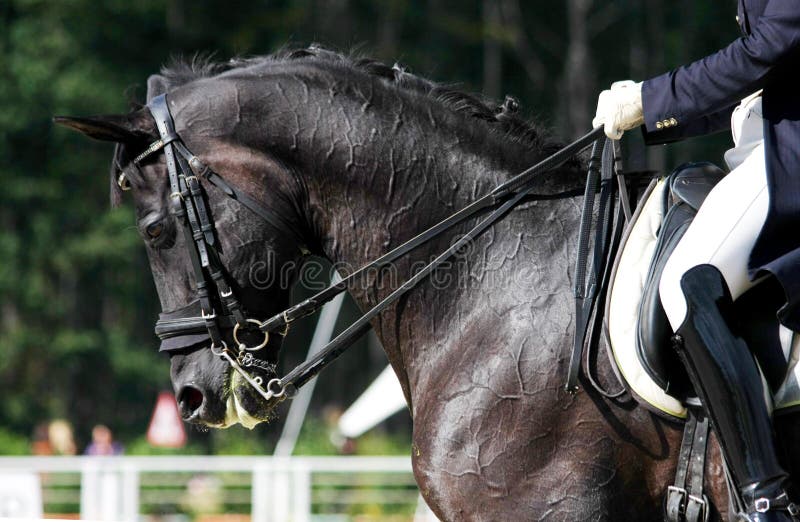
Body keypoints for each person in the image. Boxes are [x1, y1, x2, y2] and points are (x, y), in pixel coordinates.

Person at [593, 2, 800, 520]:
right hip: (771, 141)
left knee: (688, 279)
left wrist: (650, 99)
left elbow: (770, 47)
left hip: (789, 151)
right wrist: (650, 110)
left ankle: (766, 500)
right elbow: (764, 77)